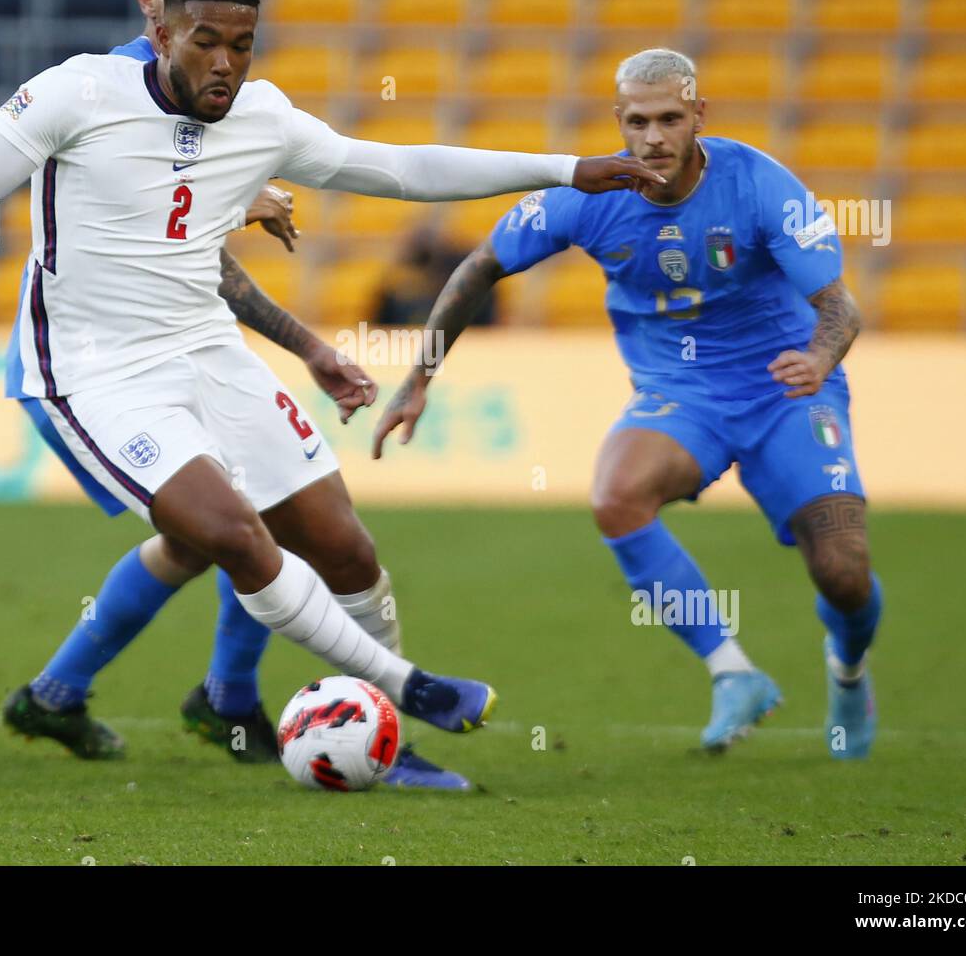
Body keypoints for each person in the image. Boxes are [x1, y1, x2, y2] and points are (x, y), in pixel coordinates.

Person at [0, 0, 661, 771]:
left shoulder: (263, 120)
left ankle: (366, 741)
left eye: (242, 44)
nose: (225, 63)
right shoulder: (77, 91)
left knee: (344, 547)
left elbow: (400, 168)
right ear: (159, 30)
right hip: (94, 371)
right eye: (205, 42)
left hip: (208, 351)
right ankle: (408, 687)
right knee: (234, 536)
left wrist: (568, 169)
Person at [373, 48, 882, 759]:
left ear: (698, 116)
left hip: (786, 386)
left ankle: (849, 671)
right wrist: (417, 378)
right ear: (619, 122)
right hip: (683, 395)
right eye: (637, 121)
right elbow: (481, 264)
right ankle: (733, 672)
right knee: (616, 494)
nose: (653, 137)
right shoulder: (588, 195)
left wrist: (822, 357)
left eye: (670, 118)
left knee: (843, 569)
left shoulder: (761, 185)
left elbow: (840, 307)